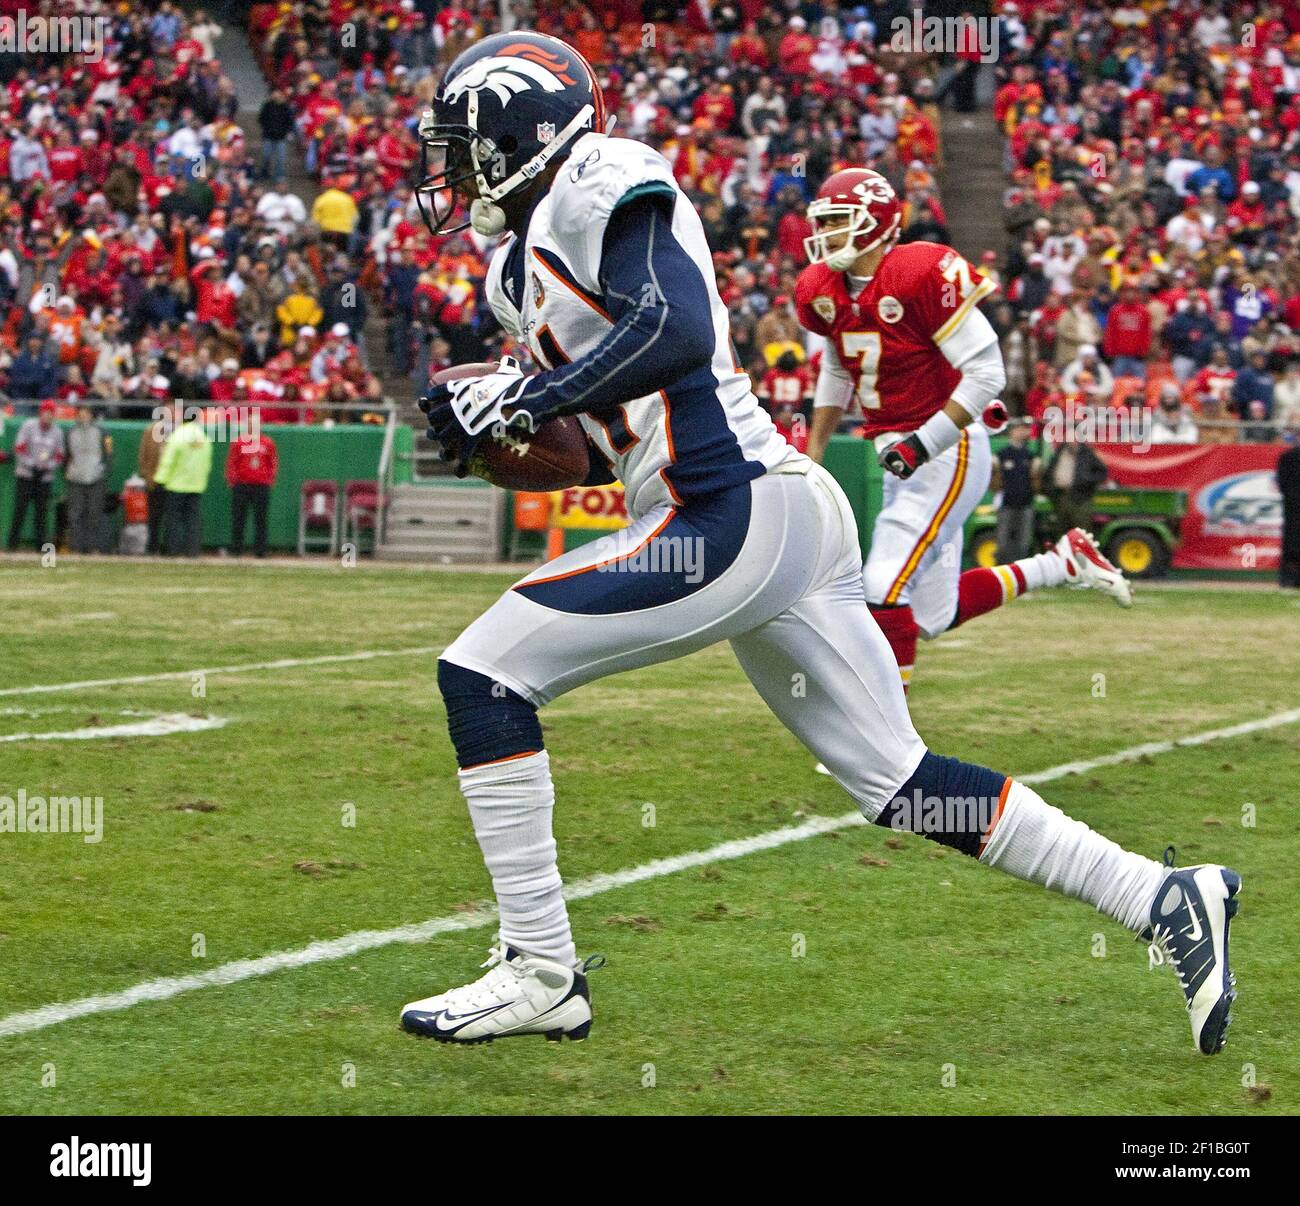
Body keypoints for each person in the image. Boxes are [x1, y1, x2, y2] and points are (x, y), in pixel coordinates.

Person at [402, 32, 1239, 1055]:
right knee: (903, 784)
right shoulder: (514, 274)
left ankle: (540, 969)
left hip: (726, 509)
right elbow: (599, 446)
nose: (447, 168)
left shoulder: (600, 177)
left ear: (514, 132)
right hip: (754, 514)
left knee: (482, 673)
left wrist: (524, 392)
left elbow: (675, 333)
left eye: (460, 144)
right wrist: (505, 434)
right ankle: (1164, 895)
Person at [796, 167, 1130, 691]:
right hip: (900, 452)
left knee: (882, 587)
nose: (828, 235)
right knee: (931, 614)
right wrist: (815, 448)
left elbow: (988, 374)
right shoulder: (821, 290)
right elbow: (839, 366)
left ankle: (887, 742)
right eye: (825, 223)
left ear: (878, 224)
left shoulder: (921, 271)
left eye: (840, 222)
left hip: (945, 447)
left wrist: (923, 443)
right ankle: (1062, 563)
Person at [6, 400, 64, 550]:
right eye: (45, 413)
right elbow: (19, 448)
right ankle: (12, 545)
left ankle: (42, 547)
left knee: (41, 513)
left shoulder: (57, 432)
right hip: (26, 474)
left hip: (44, 476)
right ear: (40, 413)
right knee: (20, 510)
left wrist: (47, 466)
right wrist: (31, 464)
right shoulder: (28, 426)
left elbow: (59, 455)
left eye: (51, 413)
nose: (48, 416)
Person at [154, 409, 212, 557]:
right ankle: (193, 551)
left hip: (176, 484)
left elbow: (168, 460)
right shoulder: (204, 438)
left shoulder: (178, 436)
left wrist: (160, 480)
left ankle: (172, 550)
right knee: (193, 519)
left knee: (173, 519)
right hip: (196, 485)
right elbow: (207, 463)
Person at [1043, 422, 1109, 534]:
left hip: (1080, 499)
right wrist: (1049, 490)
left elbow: (1102, 472)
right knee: (1062, 532)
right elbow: (1049, 473)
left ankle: (1080, 552)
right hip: (1061, 498)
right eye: (1069, 436)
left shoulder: (1087, 453)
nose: (1072, 439)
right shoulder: (1059, 452)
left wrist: (1087, 481)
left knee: (1081, 533)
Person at [64, 404, 112, 553]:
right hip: (75, 477)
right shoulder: (69, 432)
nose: (83, 416)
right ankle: (76, 547)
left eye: (86, 413)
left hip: (96, 477)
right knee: (75, 514)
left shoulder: (103, 432)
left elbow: (109, 454)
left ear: (91, 415)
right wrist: (68, 471)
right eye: (80, 413)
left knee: (94, 514)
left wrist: (103, 471)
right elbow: (66, 455)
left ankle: (93, 547)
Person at [226, 428, 278, 557]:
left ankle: (261, 550)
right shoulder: (239, 442)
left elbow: (273, 462)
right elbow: (232, 462)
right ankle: (236, 550)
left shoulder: (267, 443)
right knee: (238, 519)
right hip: (242, 485)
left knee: (261, 519)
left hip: (261, 485)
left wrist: (269, 479)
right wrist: (233, 481)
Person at [993, 418, 1038, 562]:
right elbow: (994, 481)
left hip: (1025, 503)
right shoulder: (1001, 454)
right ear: (1011, 432)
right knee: (1003, 541)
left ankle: (1019, 571)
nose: (1020, 432)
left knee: (1023, 541)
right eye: (1017, 429)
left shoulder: (1030, 455)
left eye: (1022, 429)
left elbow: (1035, 480)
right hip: (1006, 503)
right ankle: (1000, 569)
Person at [1278, 428, 1300, 588]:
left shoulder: (1286, 457)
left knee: (1291, 541)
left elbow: (1282, 483)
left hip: (1291, 505)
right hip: (1292, 505)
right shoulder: (1286, 457)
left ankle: (1288, 578)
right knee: (1291, 540)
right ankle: (1290, 577)